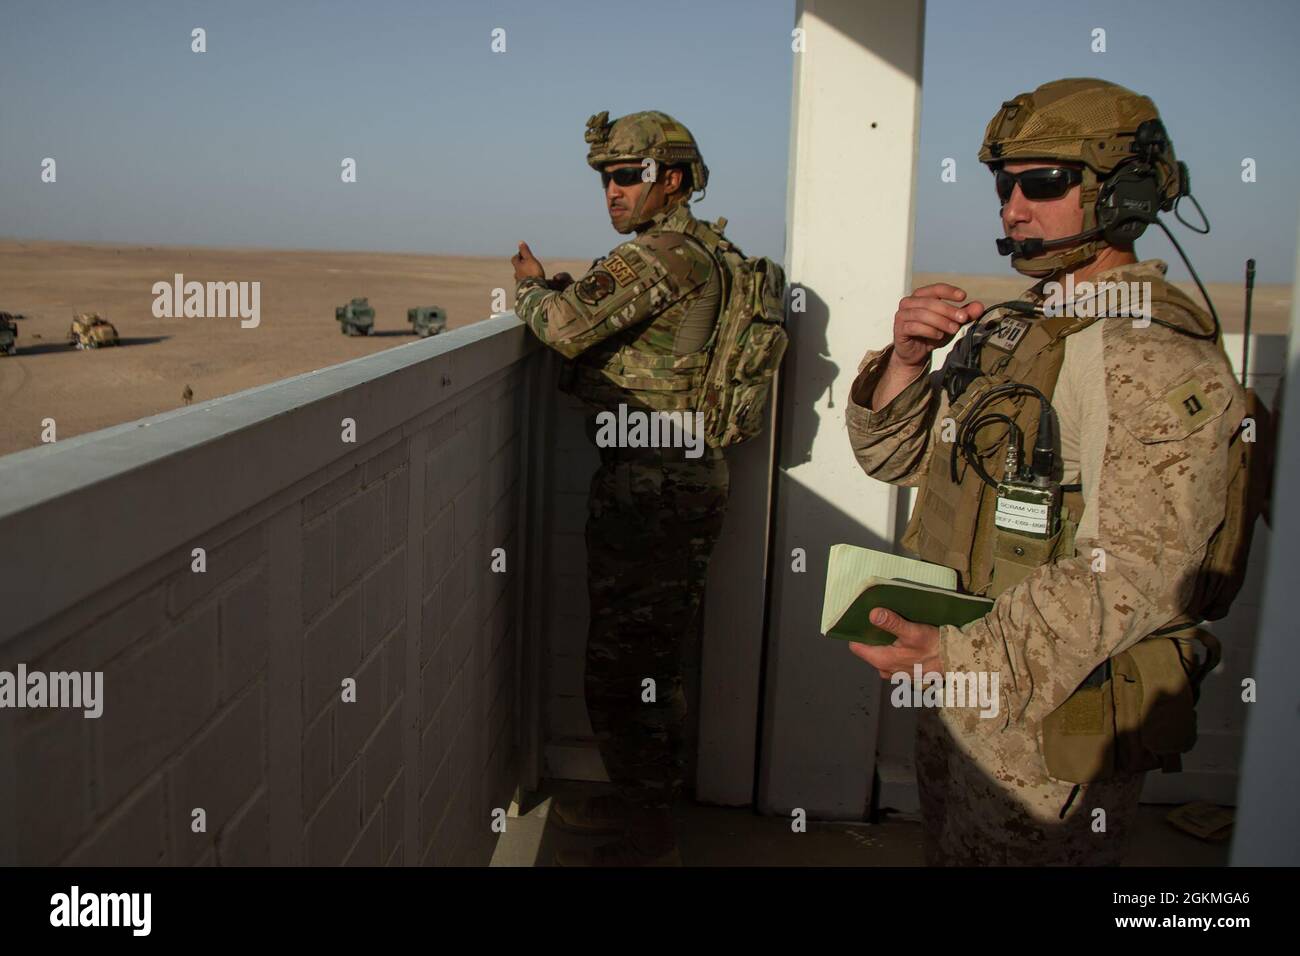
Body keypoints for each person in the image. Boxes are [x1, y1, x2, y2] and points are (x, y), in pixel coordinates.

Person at [844, 78, 1247, 865]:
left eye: (1045, 183)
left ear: (1122, 190)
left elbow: (1139, 571)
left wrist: (956, 658)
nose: (1013, 207)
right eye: (1005, 184)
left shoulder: (1148, 353)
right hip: (965, 681)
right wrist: (906, 362)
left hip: (1052, 709)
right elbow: (890, 458)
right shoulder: (1016, 330)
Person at [512, 110, 733, 866]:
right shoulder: (705, 250)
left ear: (670, 180)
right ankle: (643, 805)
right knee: (650, 660)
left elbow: (568, 328)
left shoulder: (662, 253)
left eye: (627, 176)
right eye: (605, 177)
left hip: (654, 484)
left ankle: (649, 840)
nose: (612, 191)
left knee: (623, 665)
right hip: (672, 475)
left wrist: (533, 291)